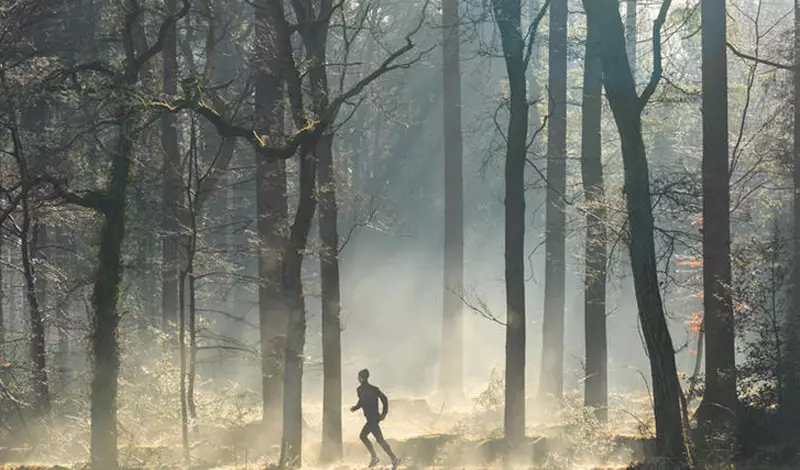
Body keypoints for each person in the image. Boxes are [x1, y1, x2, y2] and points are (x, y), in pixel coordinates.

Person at [350, 368, 401, 469]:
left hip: (373, 418)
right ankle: (389, 458)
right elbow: (363, 402)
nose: (357, 378)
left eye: (359, 377)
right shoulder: (367, 389)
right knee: (375, 439)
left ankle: (386, 458)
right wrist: (355, 408)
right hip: (372, 417)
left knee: (367, 437)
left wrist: (384, 413)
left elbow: (383, 399)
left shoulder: (366, 389)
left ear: (362, 378)